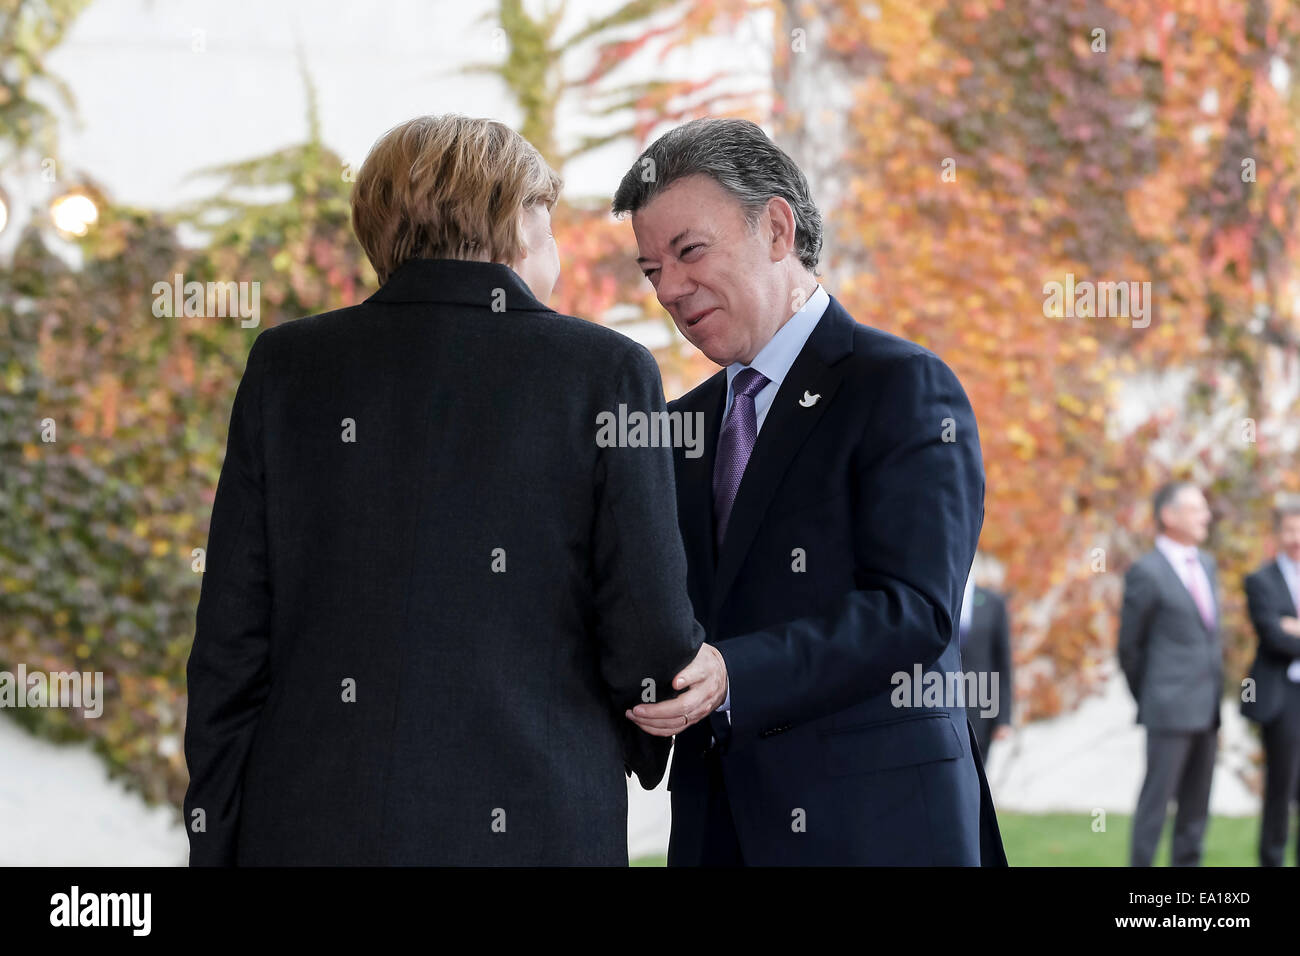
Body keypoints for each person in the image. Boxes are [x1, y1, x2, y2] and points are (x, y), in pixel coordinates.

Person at [183, 114, 704, 865]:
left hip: (309, 823)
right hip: (532, 817)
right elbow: (648, 621)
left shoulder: (287, 368)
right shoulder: (605, 372)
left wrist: (217, 833)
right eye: (548, 226)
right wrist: (656, 701)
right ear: (517, 226)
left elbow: (231, 642)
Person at [613, 117, 1007, 865]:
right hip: (716, 829)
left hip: (876, 826)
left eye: (688, 251)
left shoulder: (901, 386)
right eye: (650, 268)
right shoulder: (678, 426)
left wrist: (737, 672)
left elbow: (915, 611)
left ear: (776, 228)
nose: (668, 287)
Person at [1118, 480, 1223, 867]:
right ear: (1169, 516)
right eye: (1196, 509)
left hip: (1207, 709)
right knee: (1155, 809)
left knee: (1196, 814)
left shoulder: (1207, 565)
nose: (1205, 516)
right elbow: (1129, 648)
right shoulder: (1146, 572)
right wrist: (1151, 696)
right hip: (1167, 709)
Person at [1242, 494, 1300, 866]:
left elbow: (1289, 634)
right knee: (1281, 789)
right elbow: (1274, 637)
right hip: (1284, 698)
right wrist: (1284, 629)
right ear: (1278, 533)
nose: (1296, 537)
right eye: (1290, 529)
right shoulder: (1260, 579)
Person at [958, 561, 1014, 760]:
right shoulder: (938, 600)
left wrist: (1004, 719)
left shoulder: (993, 603)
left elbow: (1003, 662)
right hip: (941, 705)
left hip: (981, 712)